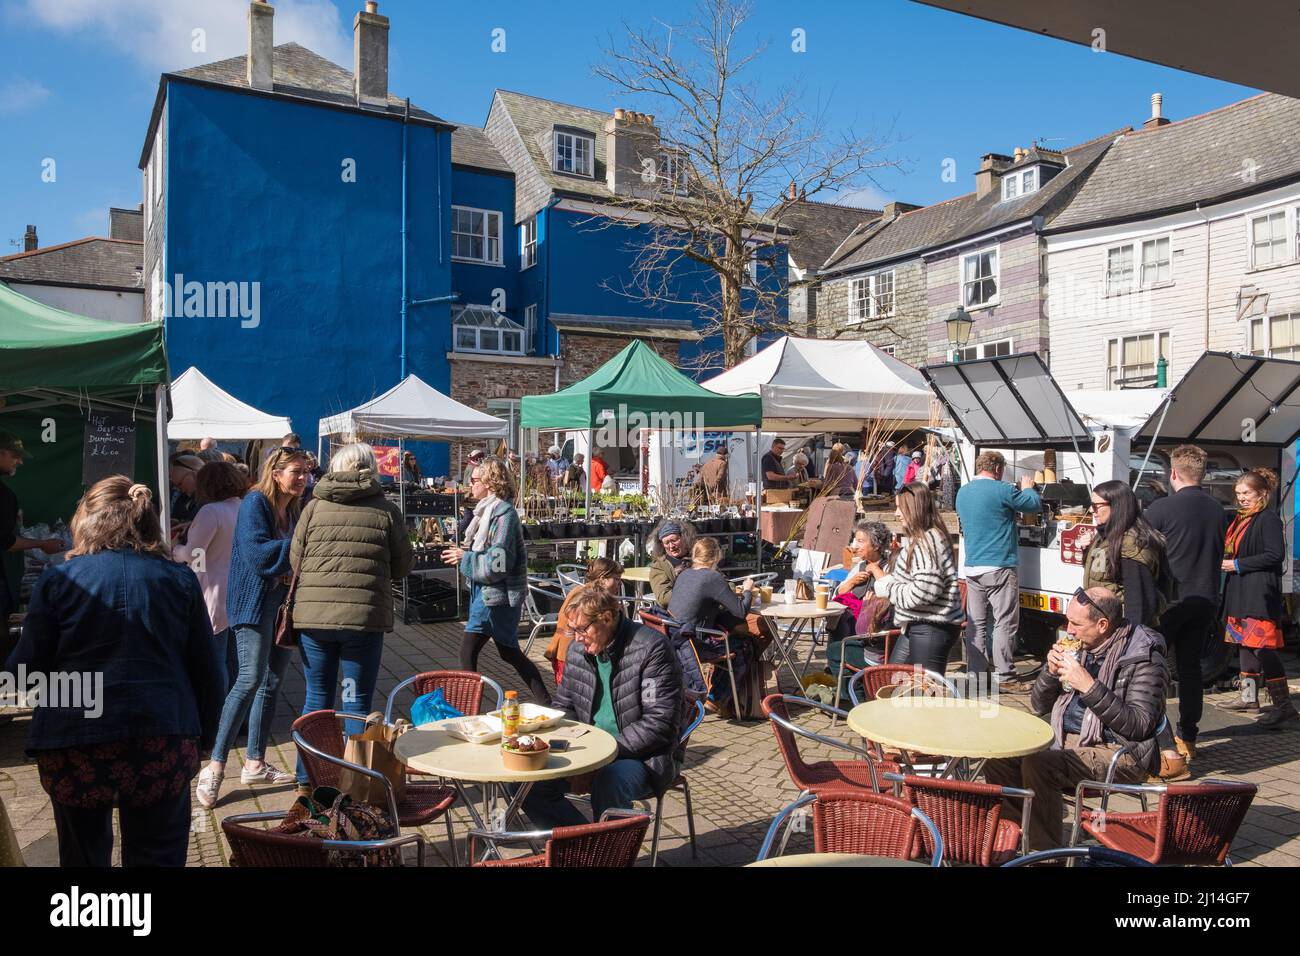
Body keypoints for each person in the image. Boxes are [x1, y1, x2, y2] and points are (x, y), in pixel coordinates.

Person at [5, 477, 223, 866]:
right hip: (162, 738)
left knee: (82, 857)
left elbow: (23, 674)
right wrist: (202, 739)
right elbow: (209, 672)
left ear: (86, 521)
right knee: (158, 855)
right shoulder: (179, 580)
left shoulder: (59, 580)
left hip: (76, 743)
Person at [984, 588, 1165, 851]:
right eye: (1068, 621)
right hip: (1066, 738)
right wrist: (1049, 671)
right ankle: (1015, 838)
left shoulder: (1143, 654)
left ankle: (1044, 855)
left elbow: (1139, 726)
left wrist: (1089, 686)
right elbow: (1038, 705)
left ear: (1103, 625)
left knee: (1039, 764)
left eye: (1077, 624)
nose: (1069, 630)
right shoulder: (1082, 646)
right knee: (1000, 757)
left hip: (1119, 750)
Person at [290, 443, 413, 785]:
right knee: (355, 700)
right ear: (370, 468)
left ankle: (308, 776)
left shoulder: (313, 508)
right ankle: (354, 778)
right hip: (364, 617)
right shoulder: (386, 511)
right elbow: (403, 566)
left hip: (313, 619)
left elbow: (295, 561)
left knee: (316, 699)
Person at [197, 446, 311, 809]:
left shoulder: (292, 507)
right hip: (252, 603)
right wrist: (303, 542)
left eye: (306, 472)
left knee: (272, 682)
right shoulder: (254, 503)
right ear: (275, 472)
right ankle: (214, 765)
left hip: (281, 606)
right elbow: (258, 553)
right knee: (248, 678)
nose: (303, 478)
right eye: (296, 471)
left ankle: (255, 762)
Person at [522, 586, 682, 829]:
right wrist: (553, 744)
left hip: (643, 757)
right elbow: (565, 706)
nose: (576, 638)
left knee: (609, 780)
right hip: (589, 751)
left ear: (607, 618)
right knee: (525, 782)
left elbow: (658, 724)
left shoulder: (652, 648)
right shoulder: (578, 650)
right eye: (572, 630)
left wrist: (599, 759)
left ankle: (613, 853)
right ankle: (584, 846)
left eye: (582, 630)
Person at [1143, 445, 1229, 759]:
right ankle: (1188, 737)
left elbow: (1145, 551)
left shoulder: (1161, 509)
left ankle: (1155, 738)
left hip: (1171, 600)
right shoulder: (1218, 509)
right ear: (1203, 473)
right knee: (1190, 668)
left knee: (1151, 669)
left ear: (1174, 473)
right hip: (1206, 598)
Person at [442, 457, 550, 705]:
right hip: (487, 594)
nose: (470, 484)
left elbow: (498, 564)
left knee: (468, 652)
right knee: (509, 653)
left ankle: (469, 709)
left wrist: (465, 557)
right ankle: (548, 703)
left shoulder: (504, 515)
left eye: (474, 480)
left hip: (495, 597)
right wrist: (466, 554)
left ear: (489, 483)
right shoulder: (485, 512)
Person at [956, 450, 1041, 690]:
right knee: (1004, 622)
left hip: (972, 567)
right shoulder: (1003, 489)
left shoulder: (964, 492)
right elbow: (1033, 505)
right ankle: (1005, 676)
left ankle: (977, 674)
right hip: (999, 565)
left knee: (977, 624)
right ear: (997, 469)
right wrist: (1027, 487)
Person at [1220, 468, 1294, 728]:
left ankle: (1284, 707)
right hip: (1241, 590)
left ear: (1262, 494)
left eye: (1247, 493)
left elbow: (1275, 555)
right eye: (1238, 493)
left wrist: (1237, 564)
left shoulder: (1267, 519)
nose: (1241, 498)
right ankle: (1249, 698)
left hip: (1259, 591)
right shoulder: (1242, 519)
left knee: (1263, 647)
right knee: (1244, 643)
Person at [868, 482, 962, 674]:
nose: (896, 513)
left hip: (930, 627)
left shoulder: (929, 542)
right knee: (894, 683)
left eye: (900, 507)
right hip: (920, 625)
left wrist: (887, 587)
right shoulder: (925, 539)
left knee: (922, 694)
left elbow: (923, 593)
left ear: (914, 508)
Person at [173, 461, 247, 698]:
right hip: (240, 590)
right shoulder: (243, 507)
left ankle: (218, 716)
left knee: (215, 661)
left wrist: (174, 548)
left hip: (213, 592)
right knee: (235, 661)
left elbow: (195, 556)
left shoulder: (210, 511)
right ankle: (237, 719)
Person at [668, 537, 754, 713]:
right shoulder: (713, 578)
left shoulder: (684, 574)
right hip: (693, 644)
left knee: (730, 638)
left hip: (673, 637)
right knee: (743, 645)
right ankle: (718, 698)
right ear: (717, 556)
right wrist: (748, 590)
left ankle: (724, 696)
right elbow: (740, 611)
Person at [0, 432, 65, 627]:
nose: (19, 461)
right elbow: (6, 542)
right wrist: (42, 544)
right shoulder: (4, 496)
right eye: (14, 455)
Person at [826, 521, 896, 698]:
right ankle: (849, 690)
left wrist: (875, 569)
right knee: (838, 625)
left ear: (877, 544)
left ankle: (852, 697)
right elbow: (839, 592)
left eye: (860, 541)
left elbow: (892, 594)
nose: (854, 546)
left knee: (835, 648)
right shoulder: (858, 566)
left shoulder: (889, 567)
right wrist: (852, 582)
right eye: (854, 540)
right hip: (854, 628)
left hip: (874, 637)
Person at [545, 557, 624, 683]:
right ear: (603, 579)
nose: (619, 583)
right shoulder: (591, 599)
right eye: (616, 579)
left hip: (569, 651)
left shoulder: (585, 591)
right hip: (569, 654)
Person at [647, 518, 696, 608]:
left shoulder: (698, 557)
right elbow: (664, 599)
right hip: (679, 615)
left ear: (684, 538)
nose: (671, 546)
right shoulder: (659, 566)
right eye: (667, 543)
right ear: (662, 545)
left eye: (674, 540)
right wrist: (697, 591)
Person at [168, 452, 205, 526]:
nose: (179, 489)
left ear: (194, 475)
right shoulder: (183, 496)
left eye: (180, 484)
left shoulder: (210, 499)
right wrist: (178, 522)